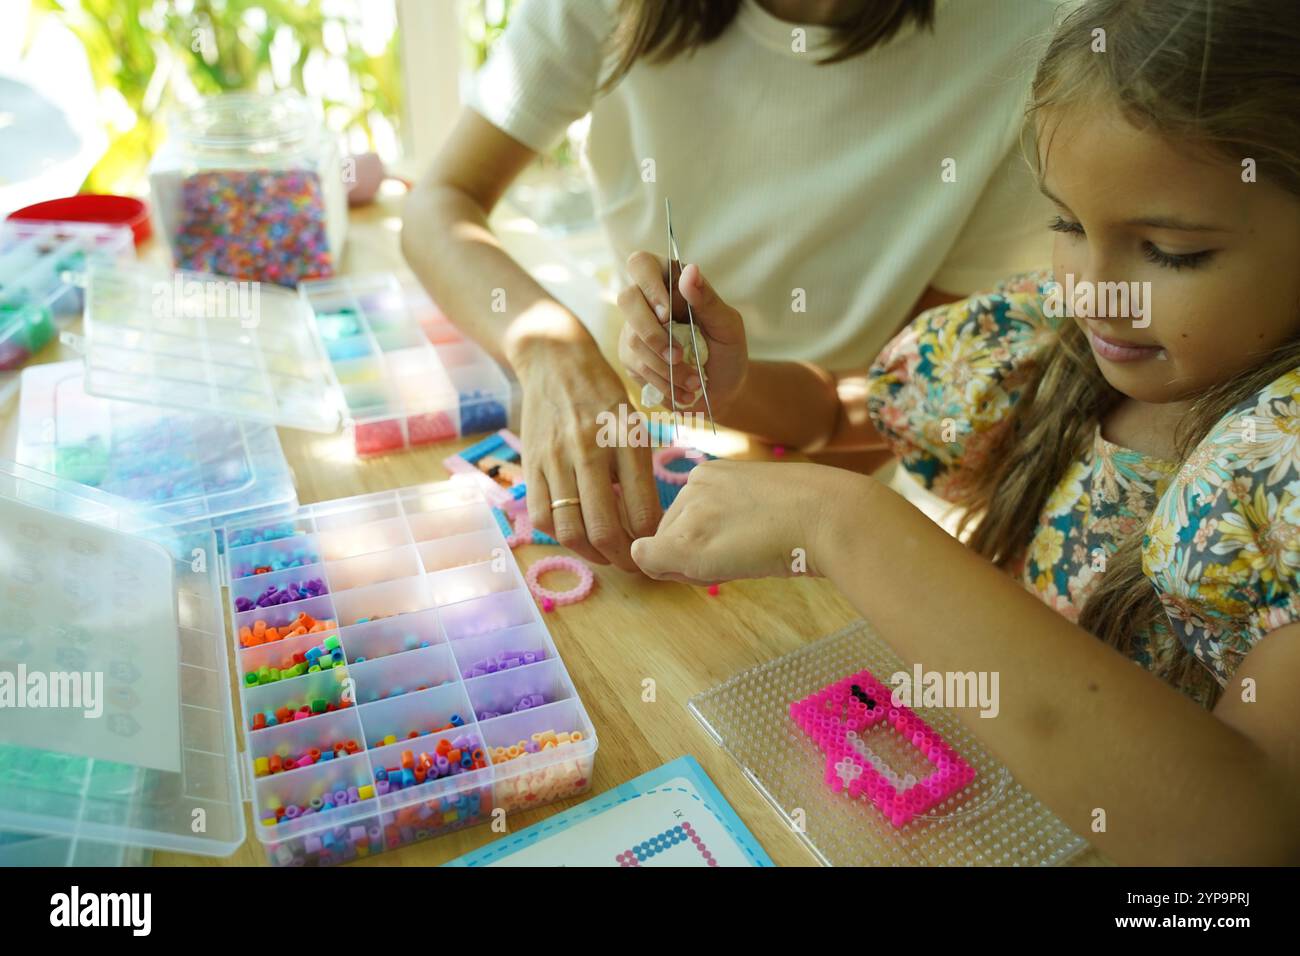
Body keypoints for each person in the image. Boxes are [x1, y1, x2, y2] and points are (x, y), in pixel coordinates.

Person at [626, 0, 1300, 863]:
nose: (1092, 291)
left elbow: (1247, 833)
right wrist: (734, 381)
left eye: (1169, 251)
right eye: (1067, 224)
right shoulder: (1051, 345)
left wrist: (847, 525)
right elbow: (846, 413)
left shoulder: (1274, 479)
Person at [402, 0, 1060, 572]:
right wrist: (551, 352)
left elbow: (898, 407)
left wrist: (738, 396)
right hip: (668, 430)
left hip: (824, 502)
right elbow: (439, 205)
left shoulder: (1034, 41)